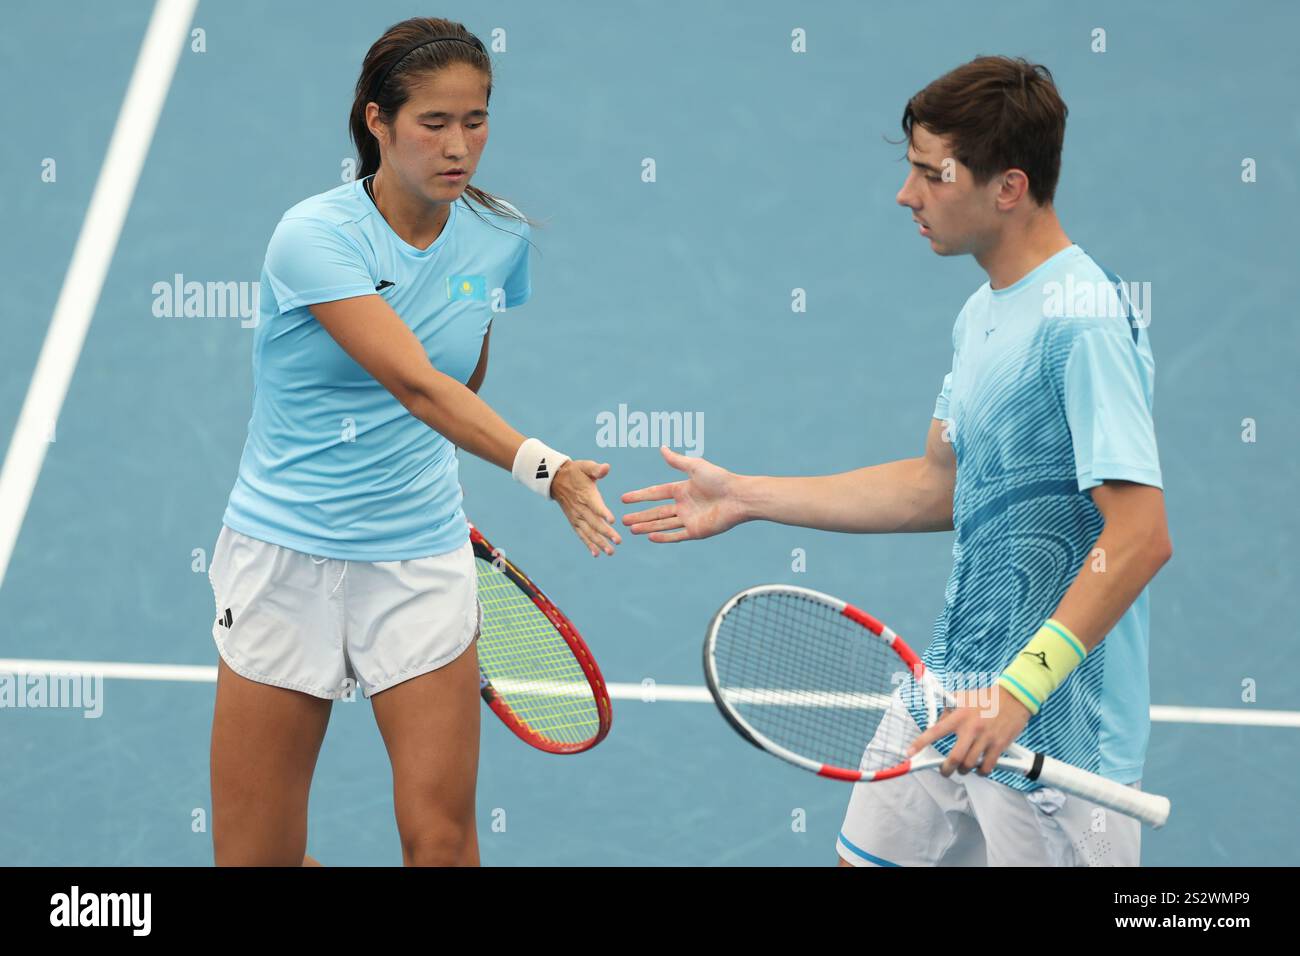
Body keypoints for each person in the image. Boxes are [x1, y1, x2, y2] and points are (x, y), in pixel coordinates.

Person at [622, 56, 1172, 867]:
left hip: (1052, 731)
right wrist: (747, 495)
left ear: (1007, 187)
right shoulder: (985, 311)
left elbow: (1140, 537)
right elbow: (937, 484)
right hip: (947, 687)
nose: (906, 195)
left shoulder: (1081, 323)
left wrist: (1018, 694)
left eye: (929, 174)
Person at [207, 17, 620, 867]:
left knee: (441, 843)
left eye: (476, 120)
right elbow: (413, 381)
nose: (458, 145)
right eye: (433, 122)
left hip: (418, 555)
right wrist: (548, 471)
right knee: (256, 859)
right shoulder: (314, 238)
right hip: (285, 558)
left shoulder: (501, 239)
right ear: (377, 123)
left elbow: (460, 384)